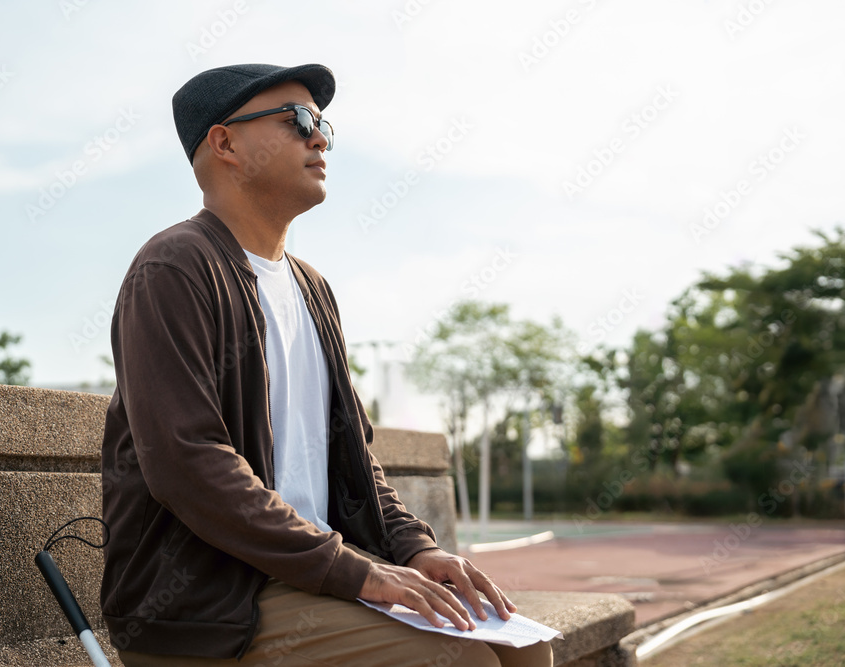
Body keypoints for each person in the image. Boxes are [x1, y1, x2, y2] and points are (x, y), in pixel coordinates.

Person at [99, 62, 554, 667]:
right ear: (225, 142)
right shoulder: (176, 268)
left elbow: (354, 458)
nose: (319, 138)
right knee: (459, 661)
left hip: (316, 574)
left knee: (525, 650)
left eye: (323, 126)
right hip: (219, 601)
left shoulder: (313, 289)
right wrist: (356, 572)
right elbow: (189, 464)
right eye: (298, 120)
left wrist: (413, 550)